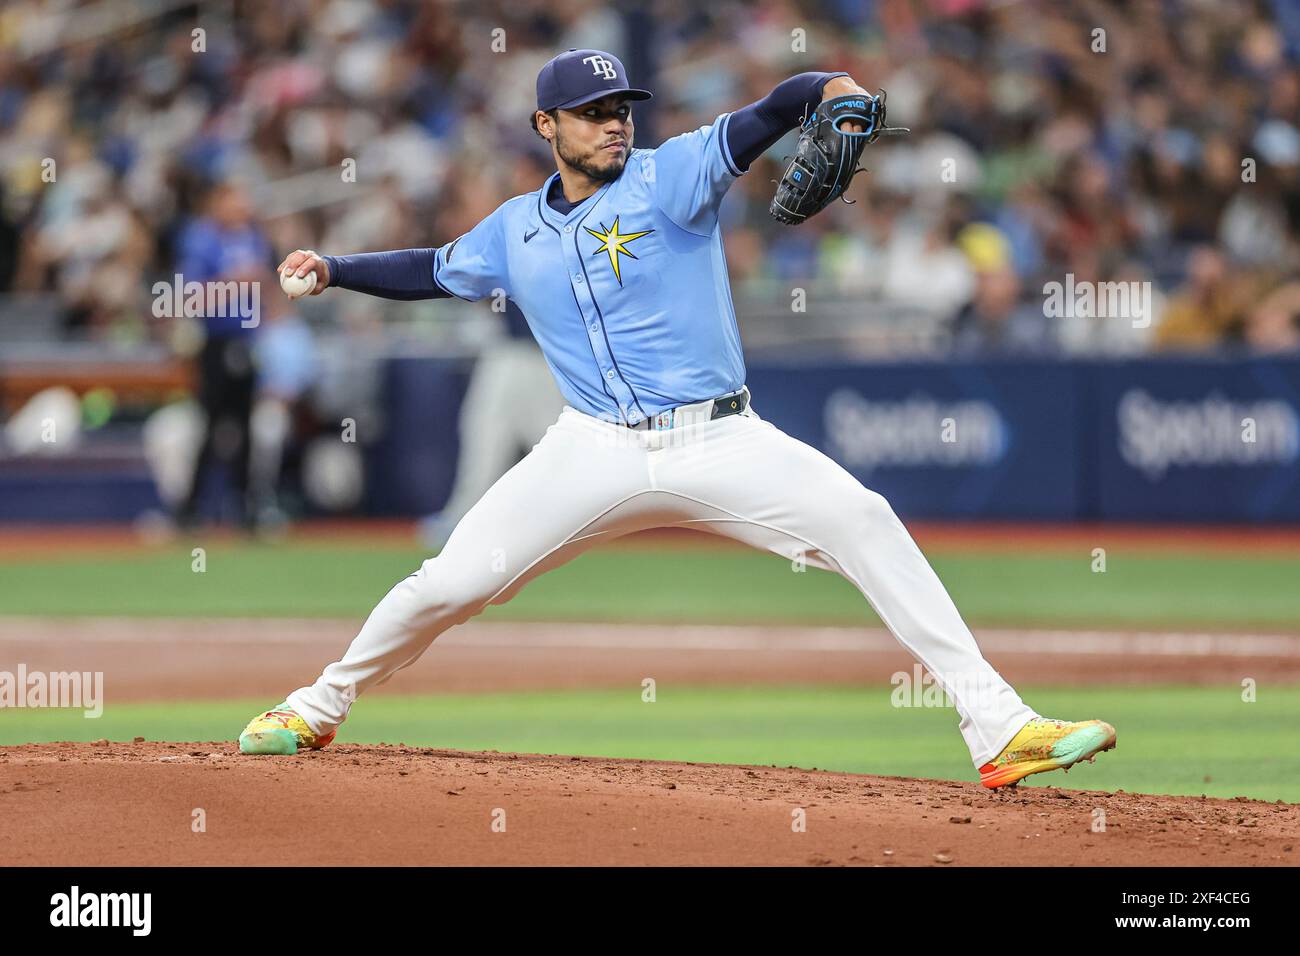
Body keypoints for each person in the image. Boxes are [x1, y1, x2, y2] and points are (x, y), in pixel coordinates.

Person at [240, 49, 1116, 789]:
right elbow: (433, 267)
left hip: (720, 438)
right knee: (451, 583)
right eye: (591, 112)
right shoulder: (515, 230)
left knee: (865, 520)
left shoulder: (674, 173)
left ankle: (999, 729)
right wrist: (336, 268)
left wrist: (831, 89)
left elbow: (776, 107)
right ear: (546, 126)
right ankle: (315, 708)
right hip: (589, 448)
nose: (614, 123)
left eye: (621, 107)